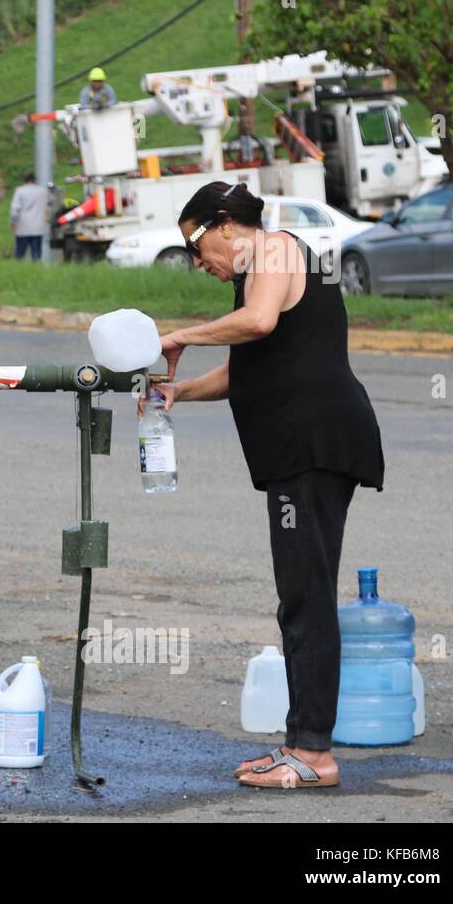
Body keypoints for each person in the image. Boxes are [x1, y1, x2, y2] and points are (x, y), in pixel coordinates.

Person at [145, 180, 384, 789]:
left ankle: (313, 753)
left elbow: (256, 323)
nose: (199, 264)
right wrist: (178, 391)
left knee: (305, 596)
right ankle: (302, 744)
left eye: (197, 247)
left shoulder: (275, 248)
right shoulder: (254, 277)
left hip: (314, 445)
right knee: (299, 594)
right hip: (298, 450)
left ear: (227, 224)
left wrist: (177, 337)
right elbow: (247, 365)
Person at [9, 171, 50, 260]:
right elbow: (50, 202)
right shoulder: (42, 191)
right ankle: (36, 270)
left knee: (20, 254)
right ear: (35, 180)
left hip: (23, 227)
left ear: (25, 180)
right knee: (36, 254)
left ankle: (19, 270)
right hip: (38, 227)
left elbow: (15, 209)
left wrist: (13, 221)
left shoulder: (20, 191)